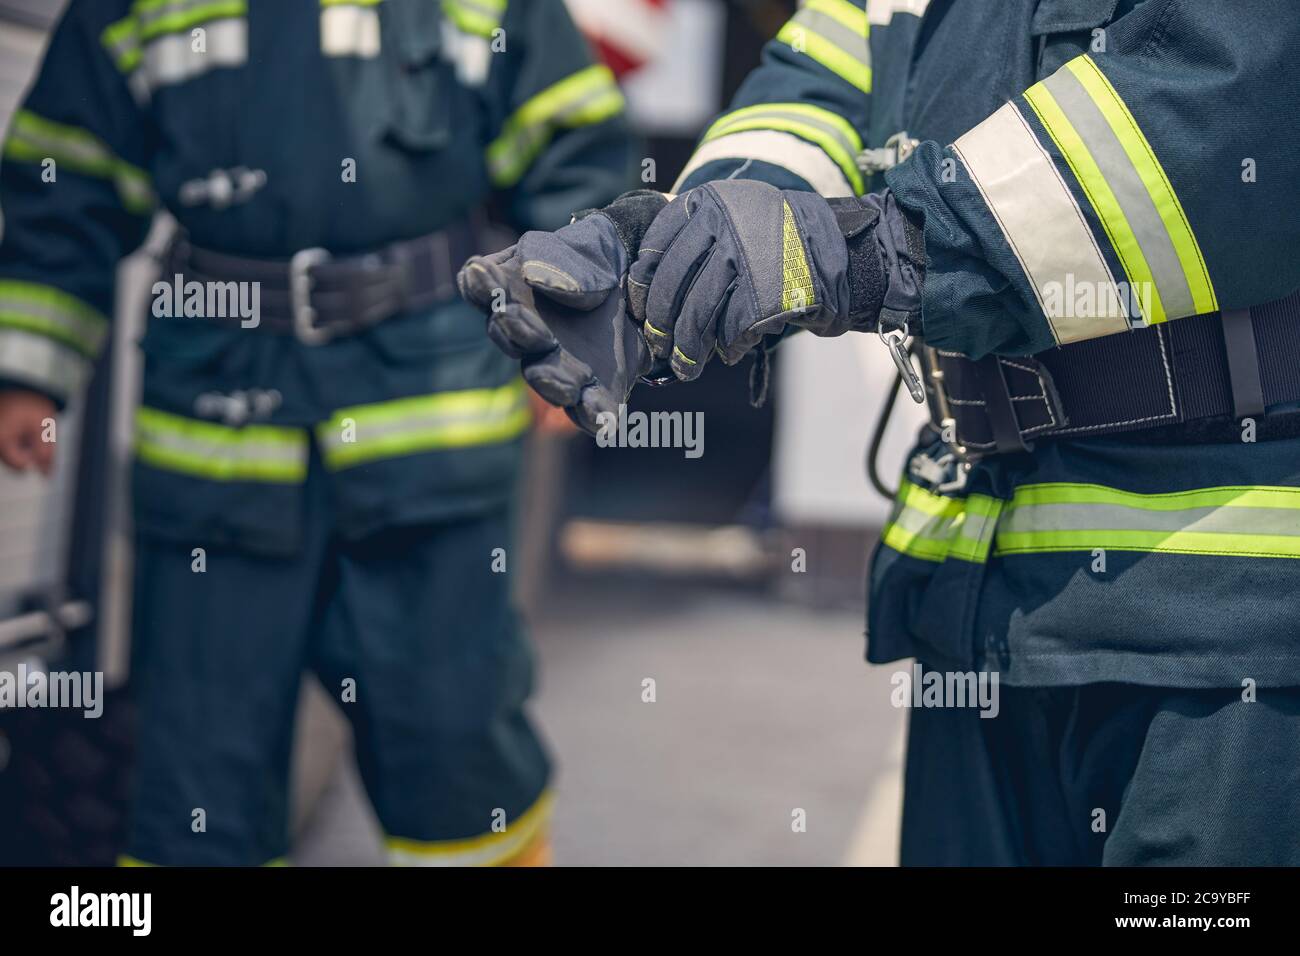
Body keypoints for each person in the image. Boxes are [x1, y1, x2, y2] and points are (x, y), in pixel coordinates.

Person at [460, 0, 1300, 865]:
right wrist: (678, 248)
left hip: (1222, 614)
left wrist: (872, 249)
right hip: (979, 584)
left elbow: (1228, 104)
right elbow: (820, 82)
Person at [0, 0, 633, 866]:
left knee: (458, 750)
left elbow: (577, 152)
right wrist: (30, 370)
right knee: (195, 779)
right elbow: (62, 171)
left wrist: (571, 332)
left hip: (432, 443)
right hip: (215, 455)